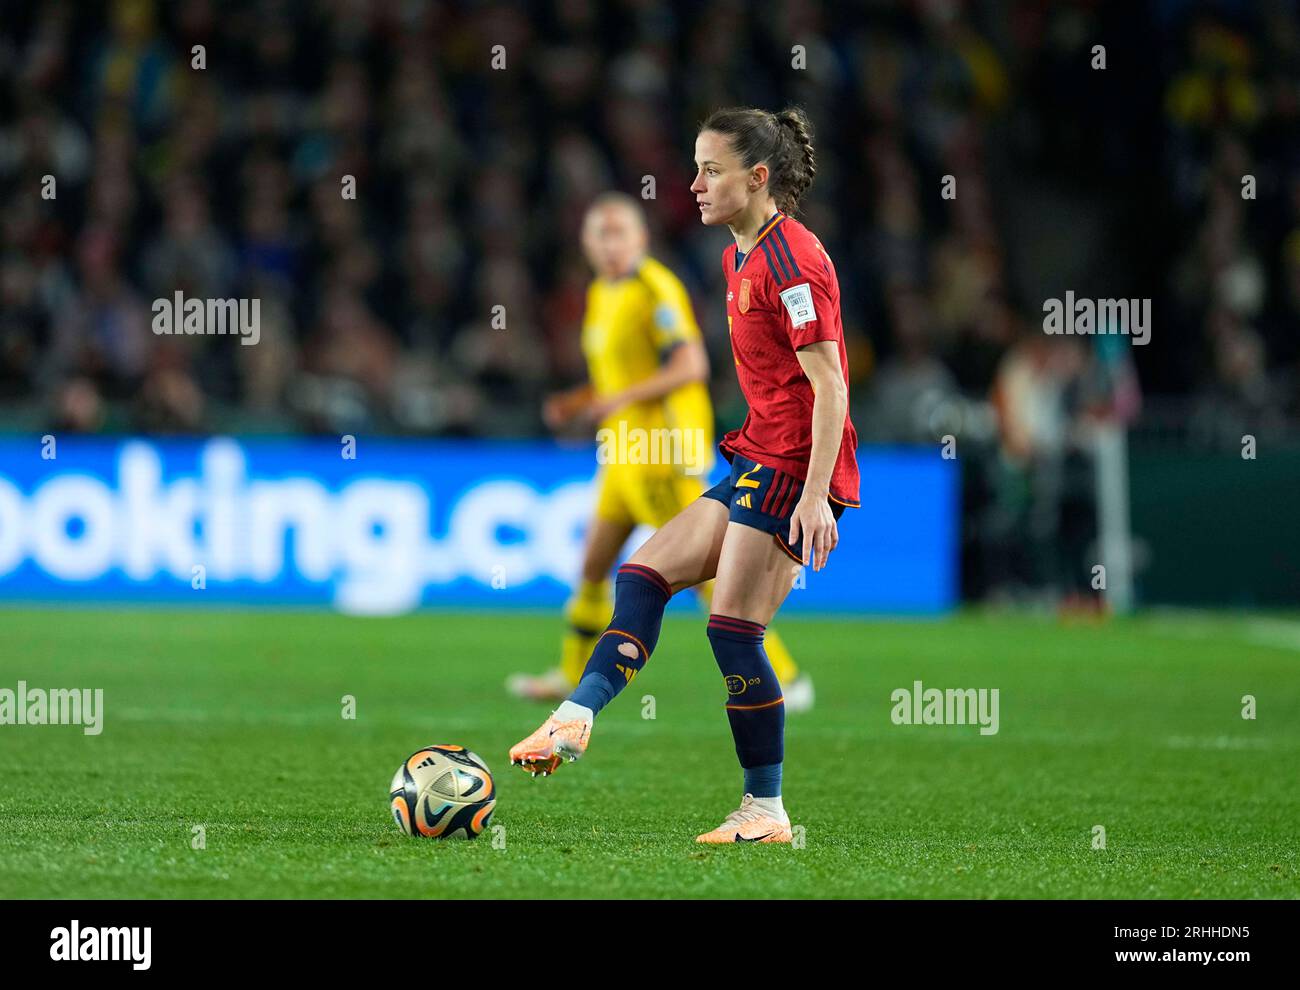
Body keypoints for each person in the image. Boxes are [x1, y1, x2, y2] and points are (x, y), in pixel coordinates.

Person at [509, 107, 859, 844]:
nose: (693, 184)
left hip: (793, 467)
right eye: (695, 167)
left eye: (711, 170)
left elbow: (831, 387)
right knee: (641, 577)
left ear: (757, 178)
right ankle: (575, 718)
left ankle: (764, 809)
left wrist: (820, 496)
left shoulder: (794, 263)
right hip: (753, 454)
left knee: (734, 631)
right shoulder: (739, 255)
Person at [506, 192, 816, 711]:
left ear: (641, 238)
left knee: (702, 575)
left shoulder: (656, 289)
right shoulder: (604, 293)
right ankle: (568, 674)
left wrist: (617, 400)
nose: (610, 245)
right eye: (600, 234)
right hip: (621, 455)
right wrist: (581, 402)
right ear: (585, 243)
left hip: (660, 453)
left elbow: (690, 365)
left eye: (619, 233)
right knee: (592, 567)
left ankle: (783, 675)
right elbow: (620, 377)